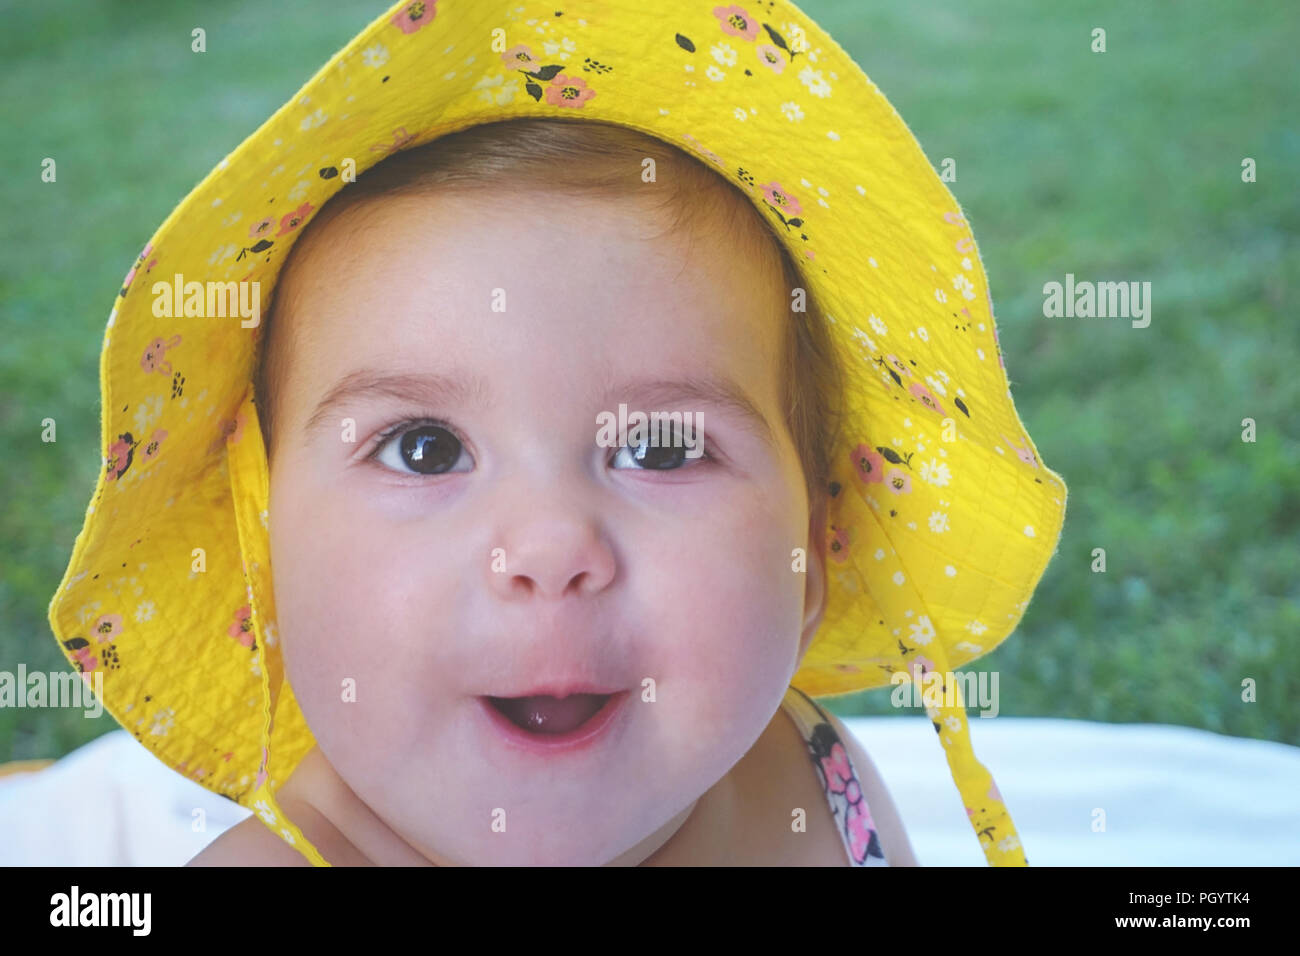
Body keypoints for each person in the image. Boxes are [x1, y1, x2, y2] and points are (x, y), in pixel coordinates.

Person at [48, 0, 1067, 866]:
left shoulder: (811, 780)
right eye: (425, 448)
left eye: (661, 448)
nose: (545, 549)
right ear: (265, 559)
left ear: (812, 561)